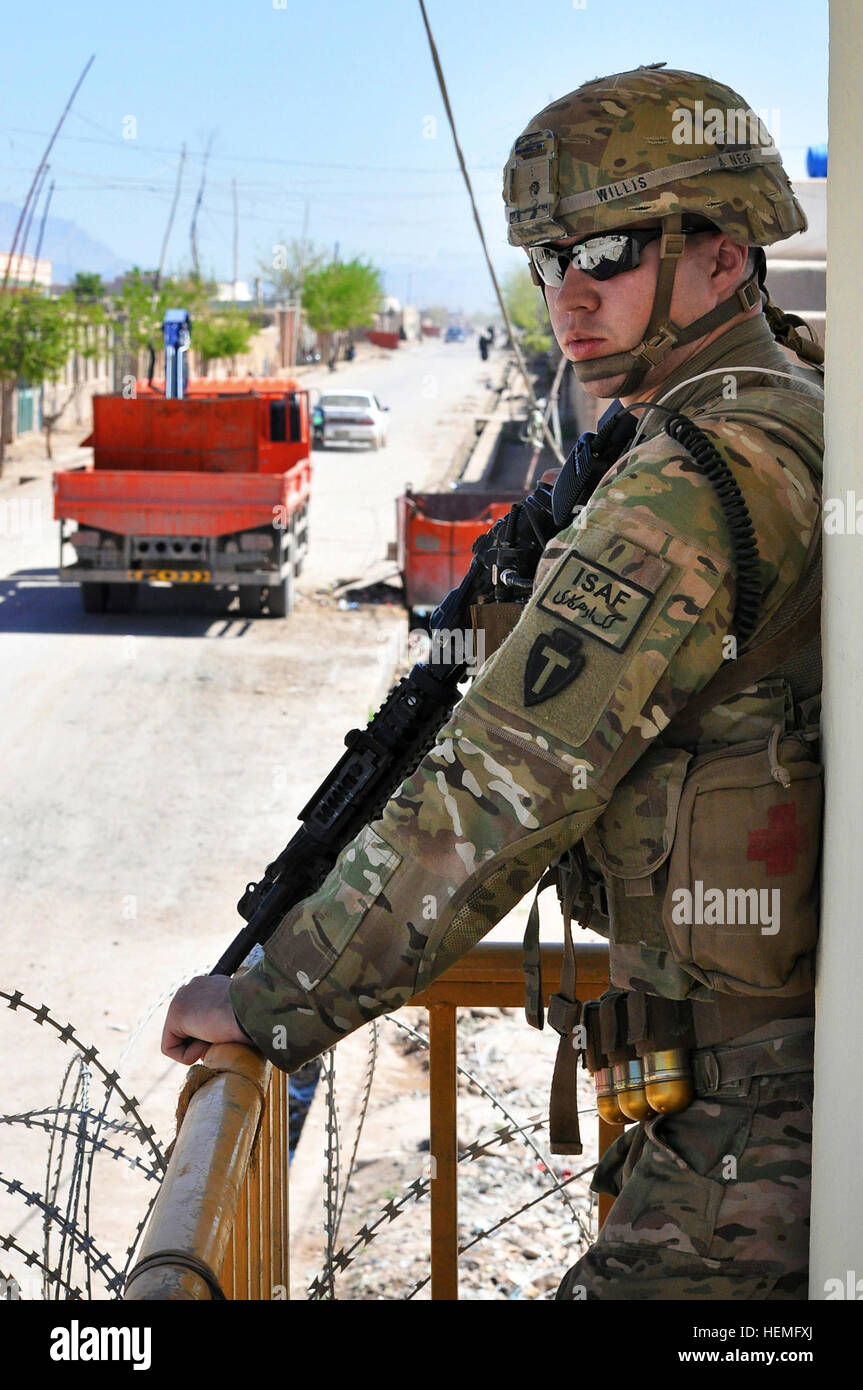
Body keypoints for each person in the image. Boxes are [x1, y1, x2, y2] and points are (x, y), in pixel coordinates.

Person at [162, 65, 824, 1301]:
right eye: (549, 258)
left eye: (611, 251)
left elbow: (499, 789)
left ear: (724, 256)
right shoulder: (777, 398)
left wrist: (277, 996)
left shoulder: (695, 473)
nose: (569, 293)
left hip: (754, 1125)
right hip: (733, 1090)